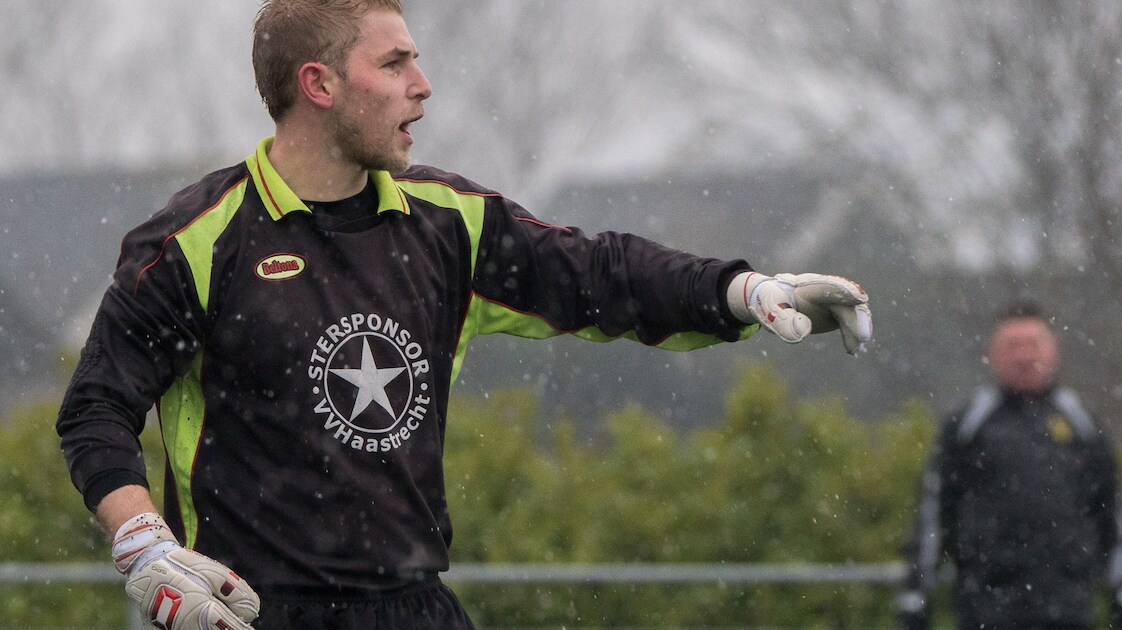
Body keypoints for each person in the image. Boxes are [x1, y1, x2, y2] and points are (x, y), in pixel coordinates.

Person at [56, 1, 872, 628]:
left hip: (414, 607)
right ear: (320, 84)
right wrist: (144, 549)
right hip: (253, 611)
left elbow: (603, 274)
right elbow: (96, 408)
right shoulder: (197, 239)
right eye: (397, 62)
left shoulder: (448, 224)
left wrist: (748, 291)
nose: (424, 83)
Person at [897, 302, 1122, 630]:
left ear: (1053, 350)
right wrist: (915, 593)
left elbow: (1112, 511)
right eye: (1013, 346)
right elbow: (933, 511)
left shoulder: (1081, 423)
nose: (1024, 356)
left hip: (1067, 609)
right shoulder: (969, 425)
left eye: (1033, 344)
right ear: (993, 354)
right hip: (985, 610)